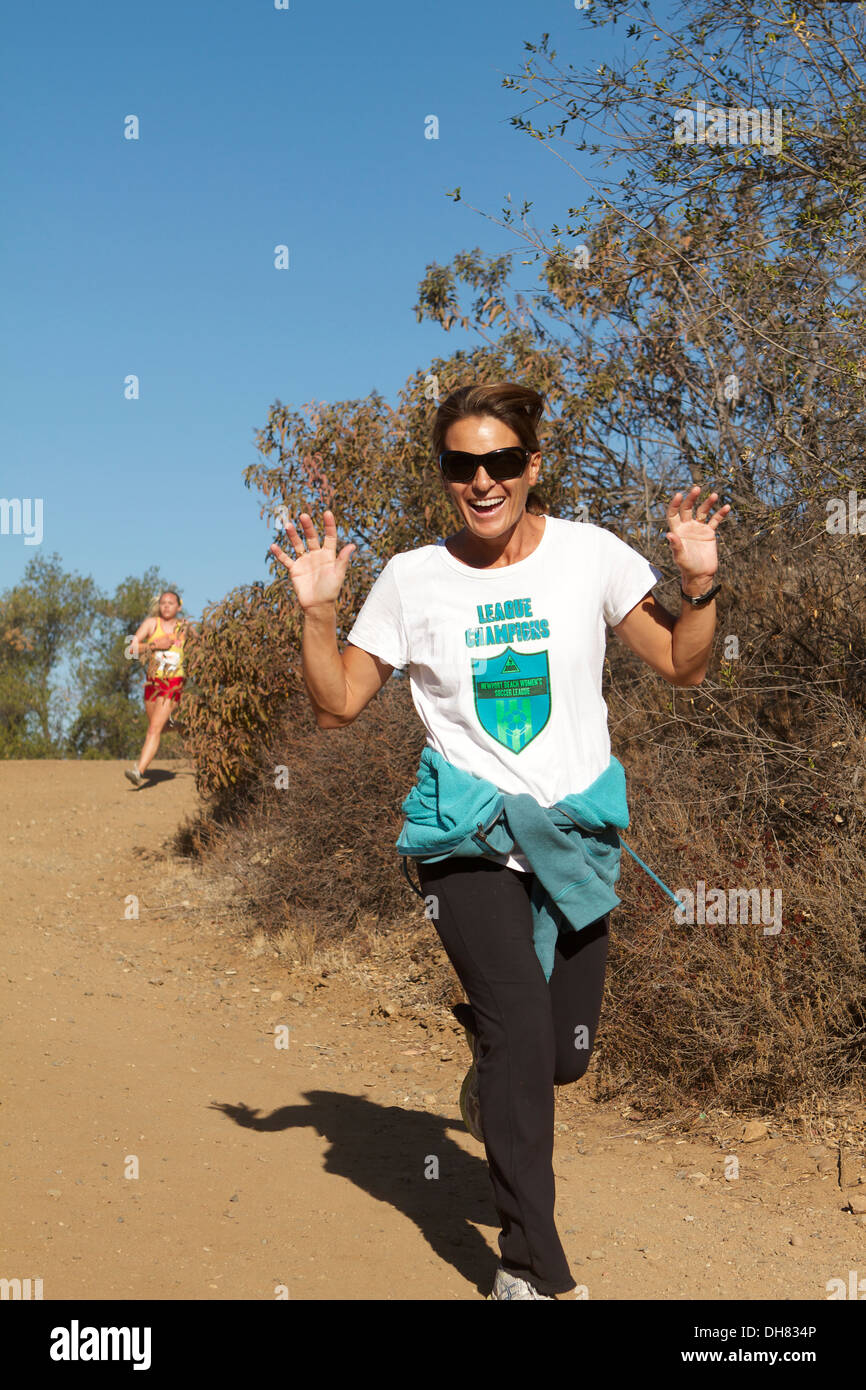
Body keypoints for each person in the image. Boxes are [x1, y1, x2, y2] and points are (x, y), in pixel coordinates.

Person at [269, 381, 730, 1300]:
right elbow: (337, 705)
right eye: (460, 464)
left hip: (575, 834)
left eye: (500, 461)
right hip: (465, 838)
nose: (481, 481)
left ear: (533, 464)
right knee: (523, 1034)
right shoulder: (411, 578)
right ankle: (530, 1269)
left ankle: (490, 1068)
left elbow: (684, 665)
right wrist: (320, 610)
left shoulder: (590, 555)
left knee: (562, 1055)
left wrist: (701, 585)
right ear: (445, 475)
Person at [124, 589, 190, 788]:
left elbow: (199, 649)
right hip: (152, 682)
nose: (166, 606)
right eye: (163, 603)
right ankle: (180, 727)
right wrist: (154, 645)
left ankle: (139, 771)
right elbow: (130, 650)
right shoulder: (151, 624)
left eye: (171, 603)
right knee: (157, 726)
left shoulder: (185, 626)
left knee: (153, 729)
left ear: (178, 606)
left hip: (174, 682)